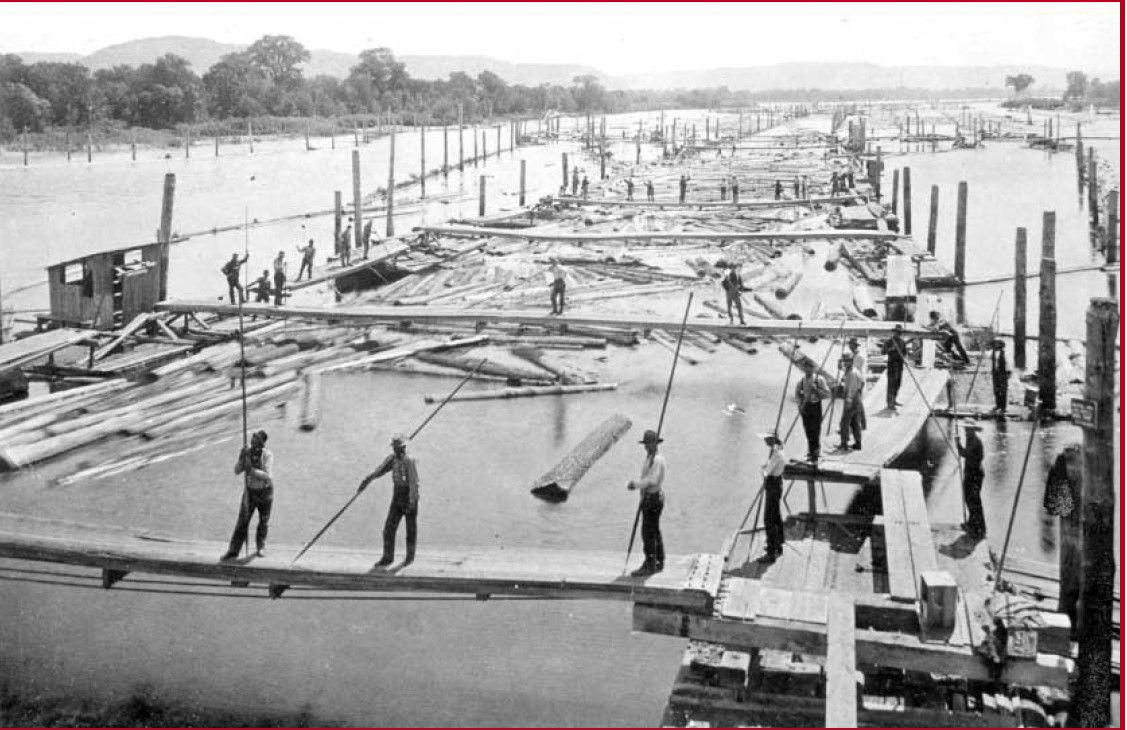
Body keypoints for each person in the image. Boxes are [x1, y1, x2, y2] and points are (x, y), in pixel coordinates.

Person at [359, 434, 420, 566]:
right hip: (397, 495)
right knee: (389, 528)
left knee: (410, 529)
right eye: (394, 448)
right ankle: (387, 558)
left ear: (403, 447)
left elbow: (414, 482)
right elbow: (379, 471)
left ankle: (410, 557)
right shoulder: (392, 460)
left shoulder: (410, 460)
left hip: (409, 495)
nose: (395, 450)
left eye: (398, 448)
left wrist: (412, 501)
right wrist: (367, 480)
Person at [221, 429, 274, 560]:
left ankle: (260, 546)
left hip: (265, 492)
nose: (253, 441)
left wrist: (250, 469)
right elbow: (237, 470)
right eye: (253, 438)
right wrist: (241, 458)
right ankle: (233, 550)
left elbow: (267, 476)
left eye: (257, 439)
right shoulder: (247, 453)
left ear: (263, 443)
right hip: (250, 492)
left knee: (263, 521)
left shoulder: (267, 455)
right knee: (242, 522)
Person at [627, 429, 666, 577]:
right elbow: (648, 478)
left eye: (650, 443)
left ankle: (650, 564)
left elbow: (652, 480)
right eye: (646, 443)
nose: (647, 446)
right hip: (649, 498)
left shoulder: (656, 460)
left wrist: (635, 485)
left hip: (653, 498)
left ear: (656, 444)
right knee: (653, 530)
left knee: (648, 532)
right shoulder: (650, 458)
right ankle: (658, 560)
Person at [794, 362, 831, 462]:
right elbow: (797, 395)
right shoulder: (801, 381)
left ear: (813, 369)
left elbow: (827, 394)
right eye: (805, 368)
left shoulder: (819, 380)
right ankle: (811, 451)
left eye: (810, 368)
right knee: (808, 430)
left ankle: (815, 453)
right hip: (805, 407)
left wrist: (816, 390)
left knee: (815, 430)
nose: (808, 370)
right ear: (803, 369)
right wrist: (800, 405)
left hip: (815, 406)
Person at [956, 423, 986, 538]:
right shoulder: (970, 439)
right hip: (970, 472)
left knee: (974, 501)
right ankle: (971, 524)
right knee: (969, 499)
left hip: (975, 474)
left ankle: (978, 529)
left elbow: (964, 453)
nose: (966, 432)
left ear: (973, 430)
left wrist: (958, 444)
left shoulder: (975, 442)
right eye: (965, 429)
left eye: (968, 430)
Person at [759, 432, 786, 560]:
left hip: (773, 486)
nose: (764, 441)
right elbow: (770, 467)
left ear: (772, 440)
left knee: (769, 519)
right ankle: (778, 545)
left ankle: (771, 552)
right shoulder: (778, 450)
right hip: (776, 484)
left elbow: (766, 472)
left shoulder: (776, 454)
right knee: (776, 516)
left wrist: (762, 470)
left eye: (767, 439)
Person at [837, 352, 865, 451]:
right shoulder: (853, 370)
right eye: (844, 361)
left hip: (851, 398)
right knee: (855, 422)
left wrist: (848, 400)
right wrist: (839, 364)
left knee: (844, 422)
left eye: (846, 361)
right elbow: (862, 383)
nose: (845, 363)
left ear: (851, 361)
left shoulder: (852, 373)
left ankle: (844, 443)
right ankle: (858, 443)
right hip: (857, 398)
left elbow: (852, 388)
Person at [882, 324, 906, 411]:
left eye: (899, 332)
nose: (898, 334)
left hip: (900, 365)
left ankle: (894, 399)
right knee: (891, 384)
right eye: (897, 332)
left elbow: (904, 353)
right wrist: (892, 349)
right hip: (891, 365)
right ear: (894, 332)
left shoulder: (902, 342)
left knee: (898, 384)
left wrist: (904, 359)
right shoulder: (888, 342)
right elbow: (883, 352)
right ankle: (889, 403)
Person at [990, 340, 1009, 413]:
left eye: (997, 344)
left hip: (1002, 373)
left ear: (1001, 345)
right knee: (996, 389)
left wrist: (1008, 373)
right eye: (995, 344)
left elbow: (1008, 363)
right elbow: (987, 355)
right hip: (995, 373)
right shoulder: (993, 353)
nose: (996, 345)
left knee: (1003, 390)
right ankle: (998, 405)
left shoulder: (1005, 353)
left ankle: (1003, 407)